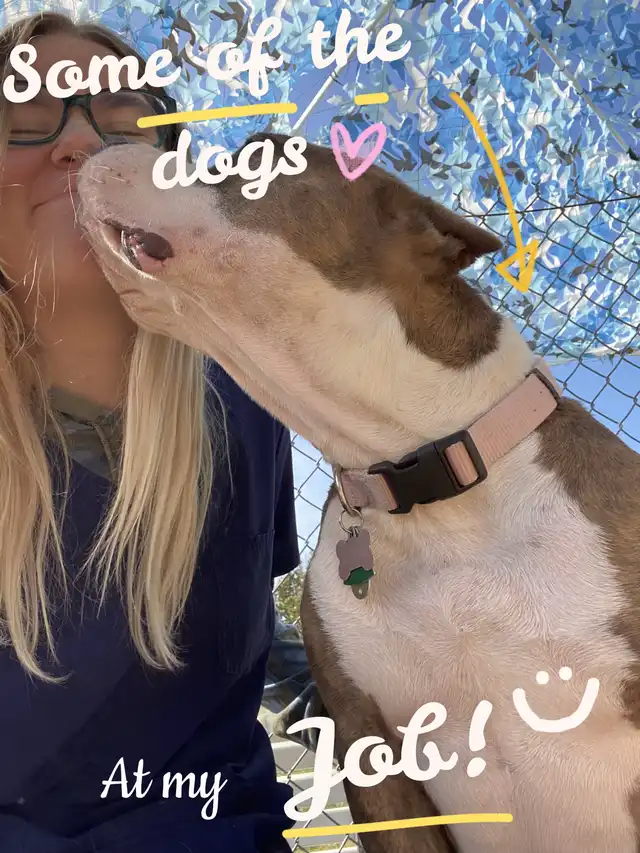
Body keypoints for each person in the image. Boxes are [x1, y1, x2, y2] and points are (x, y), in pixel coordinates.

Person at [0, 10, 315, 852]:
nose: (80, 144)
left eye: (121, 120)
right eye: (24, 116)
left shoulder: (251, 400)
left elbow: (250, 631)